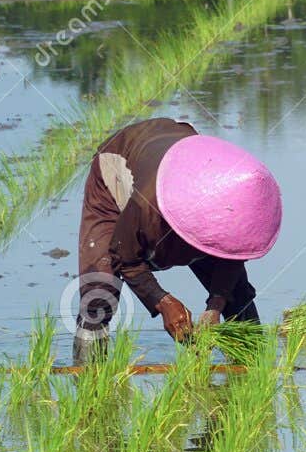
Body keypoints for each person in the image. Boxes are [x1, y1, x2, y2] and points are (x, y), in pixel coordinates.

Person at [76, 117, 282, 344]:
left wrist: (215, 305)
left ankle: (252, 361)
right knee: (99, 292)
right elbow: (124, 256)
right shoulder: (147, 206)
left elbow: (231, 254)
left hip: (181, 160)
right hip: (119, 168)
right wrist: (162, 301)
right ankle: (89, 364)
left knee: (236, 295)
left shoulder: (233, 199)